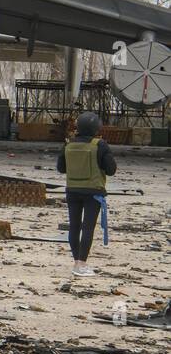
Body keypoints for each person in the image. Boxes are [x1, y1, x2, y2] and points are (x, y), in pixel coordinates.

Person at [56, 111, 117, 277]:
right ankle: (82, 264)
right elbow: (111, 170)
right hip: (94, 192)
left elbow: (61, 168)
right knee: (87, 227)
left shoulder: (68, 144)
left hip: (72, 190)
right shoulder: (100, 145)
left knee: (74, 226)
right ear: (96, 127)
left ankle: (76, 262)